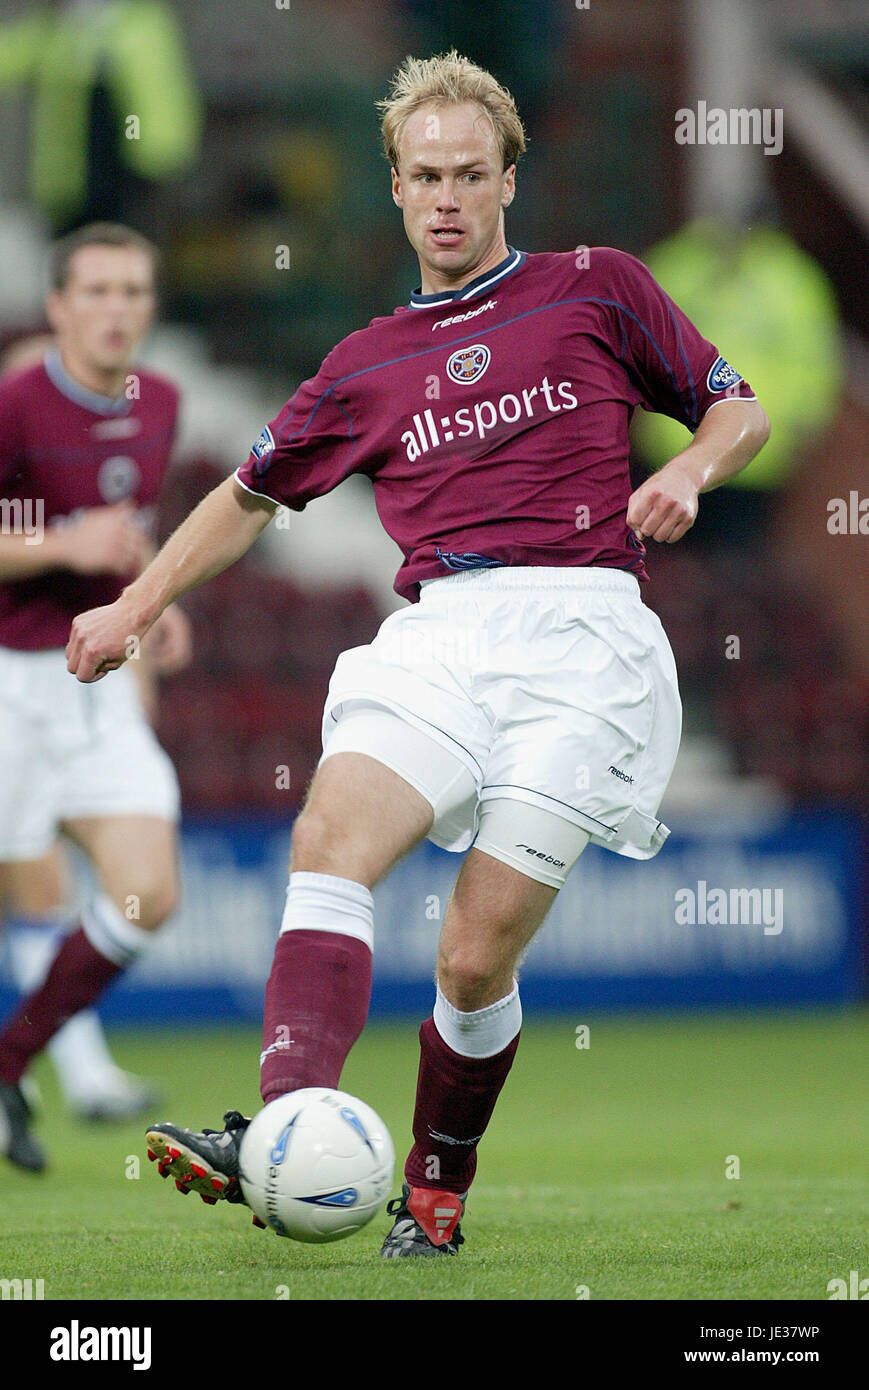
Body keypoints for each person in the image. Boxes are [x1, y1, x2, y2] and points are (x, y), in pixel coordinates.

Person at [65, 53, 769, 1255]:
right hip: (441, 632)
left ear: (508, 179)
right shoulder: (365, 363)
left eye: (469, 174)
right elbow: (248, 496)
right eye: (424, 175)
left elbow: (736, 407)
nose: (447, 196)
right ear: (394, 187)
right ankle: (281, 1126)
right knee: (328, 839)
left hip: (584, 637)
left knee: (470, 955)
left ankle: (435, 1194)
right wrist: (134, 603)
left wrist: (688, 470)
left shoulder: (595, 287)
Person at [0, 223, 191, 1170]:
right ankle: (64, 1077)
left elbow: (133, 532)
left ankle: (12, 1067)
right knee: (32, 888)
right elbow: (59, 534)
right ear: (59, 305)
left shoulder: (161, 402)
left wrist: (153, 599)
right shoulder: (15, 403)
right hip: (9, 680)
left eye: (134, 290)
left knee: (145, 891)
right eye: (99, 290)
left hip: (98, 679)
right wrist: (60, 545)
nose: (118, 309)